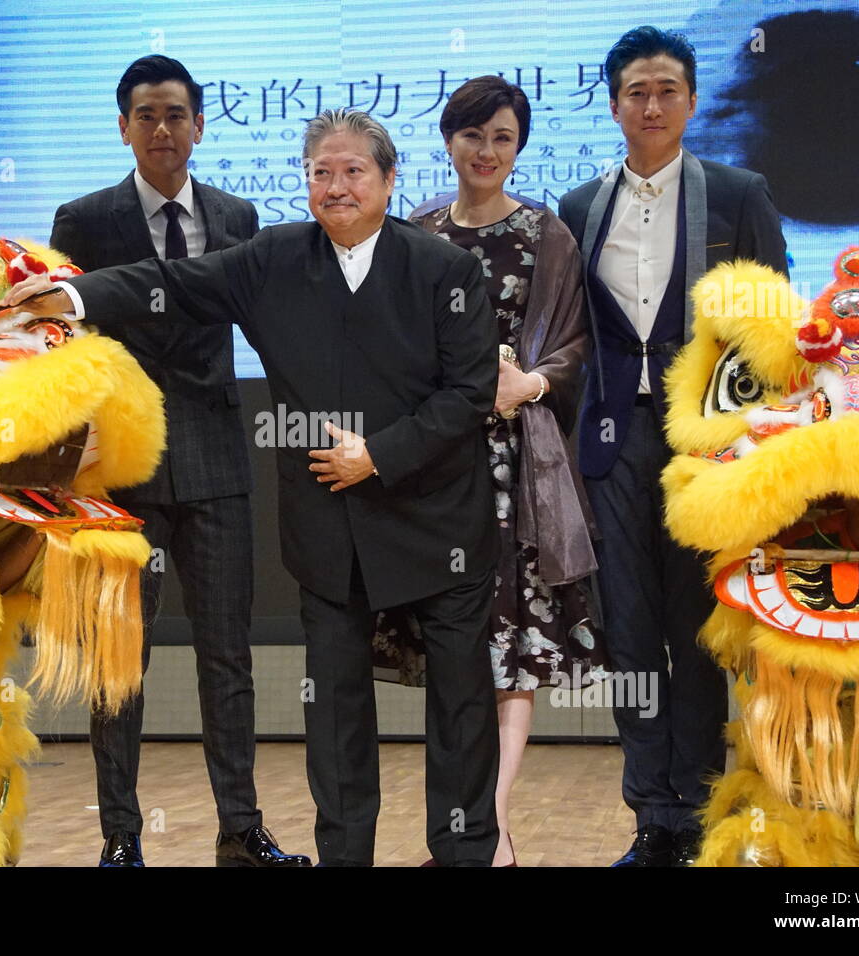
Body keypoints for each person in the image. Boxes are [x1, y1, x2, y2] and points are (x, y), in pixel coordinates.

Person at [6, 108, 502, 867]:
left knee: (461, 708)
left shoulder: (445, 270)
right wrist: (69, 299)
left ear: (390, 179)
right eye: (320, 173)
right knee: (335, 712)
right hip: (328, 525)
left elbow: (468, 395)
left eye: (353, 172)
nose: (335, 188)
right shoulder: (271, 258)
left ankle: (465, 854)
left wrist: (380, 454)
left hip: (438, 522)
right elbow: (168, 282)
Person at [47, 55, 307, 868]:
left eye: (177, 115)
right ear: (123, 126)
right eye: (147, 115)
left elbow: (265, 320)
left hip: (218, 456)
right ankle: (120, 838)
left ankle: (241, 829)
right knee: (118, 662)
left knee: (227, 655)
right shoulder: (83, 220)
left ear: (199, 125)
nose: (163, 130)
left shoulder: (237, 215)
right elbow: (61, 342)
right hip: (119, 464)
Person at [557, 26, 788, 867]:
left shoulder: (737, 192)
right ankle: (650, 813)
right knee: (626, 626)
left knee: (696, 622)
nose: (651, 106)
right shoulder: (580, 208)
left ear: (691, 101)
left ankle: (697, 806)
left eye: (666, 90)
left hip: (708, 441)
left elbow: (774, 327)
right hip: (612, 435)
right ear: (614, 104)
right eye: (635, 92)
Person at [375, 76, 605, 868]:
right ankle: (464, 813)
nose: (487, 151)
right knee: (456, 648)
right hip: (435, 463)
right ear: (448, 140)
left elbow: (575, 347)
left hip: (515, 468)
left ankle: (493, 819)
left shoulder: (548, 234)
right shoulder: (416, 231)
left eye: (502, 137)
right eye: (473, 136)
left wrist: (530, 382)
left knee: (514, 645)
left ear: (519, 146)